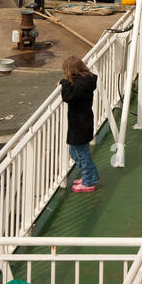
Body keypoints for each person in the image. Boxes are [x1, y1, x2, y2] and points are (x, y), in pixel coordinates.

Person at [60, 56, 99, 193]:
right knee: (76, 152)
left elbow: (68, 97)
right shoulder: (86, 80)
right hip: (84, 121)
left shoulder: (79, 85)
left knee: (82, 154)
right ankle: (91, 176)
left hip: (80, 124)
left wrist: (65, 83)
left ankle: (89, 181)